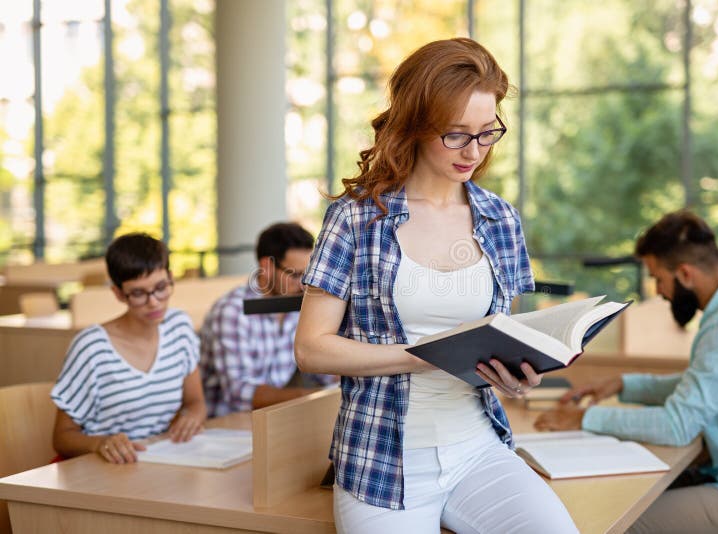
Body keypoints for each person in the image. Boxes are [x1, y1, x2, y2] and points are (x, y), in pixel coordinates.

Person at [294, 38, 578, 533]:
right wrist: (425, 352)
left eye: (487, 133)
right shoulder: (357, 218)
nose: (474, 151)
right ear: (416, 126)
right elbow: (311, 349)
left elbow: (501, 331)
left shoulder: (500, 219)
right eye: (455, 135)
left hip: (478, 449)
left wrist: (515, 374)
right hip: (382, 463)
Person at [535, 210, 718, 534]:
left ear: (685, 274)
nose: (660, 292)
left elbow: (677, 425)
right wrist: (622, 385)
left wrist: (582, 419)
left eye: (659, 279)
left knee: (620, 522)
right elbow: (703, 384)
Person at [51, 233, 206, 464]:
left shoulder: (179, 327)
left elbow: (196, 402)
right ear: (118, 293)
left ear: (171, 278)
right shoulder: (92, 347)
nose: (153, 302)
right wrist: (100, 443)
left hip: (158, 461)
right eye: (138, 293)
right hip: (103, 468)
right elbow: (62, 438)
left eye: (161, 287)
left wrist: (191, 417)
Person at [199, 222, 336, 418]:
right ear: (267, 267)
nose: (304, 284)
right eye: (296, 275)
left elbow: (320, 368)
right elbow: (239, 393)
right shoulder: (233, 311)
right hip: (225, 426)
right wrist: (311, 397)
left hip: (269, 419)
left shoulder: (295, 304)